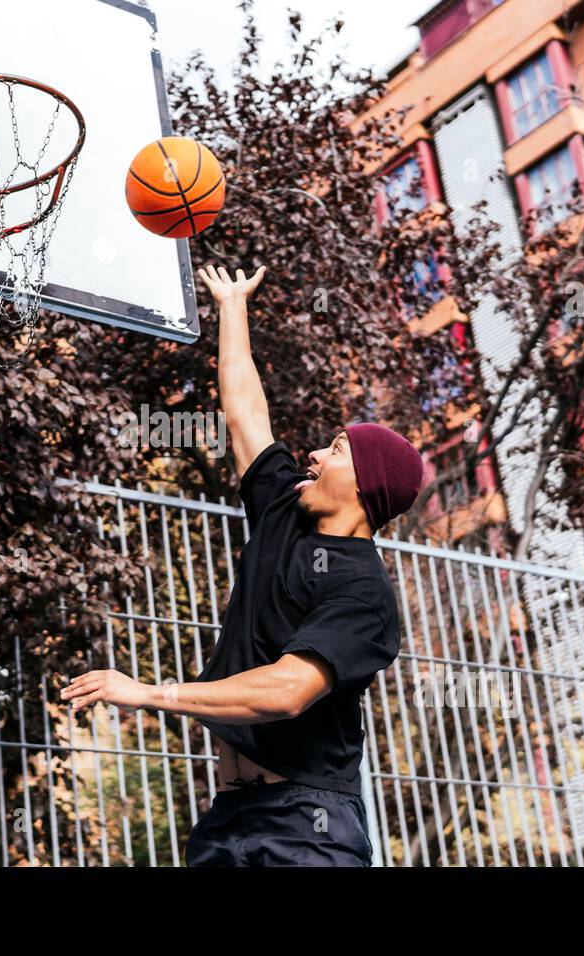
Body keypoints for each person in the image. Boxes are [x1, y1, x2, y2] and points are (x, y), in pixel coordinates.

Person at [60, 263, 423, 866]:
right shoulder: (286, 512)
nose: (313, 451)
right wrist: (231, 307)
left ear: (366, 485)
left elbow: (285, 691)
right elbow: (246, 415)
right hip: (229, 820)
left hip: (307, 828)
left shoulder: (364, 593)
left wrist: (152, 693)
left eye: (334, 450)